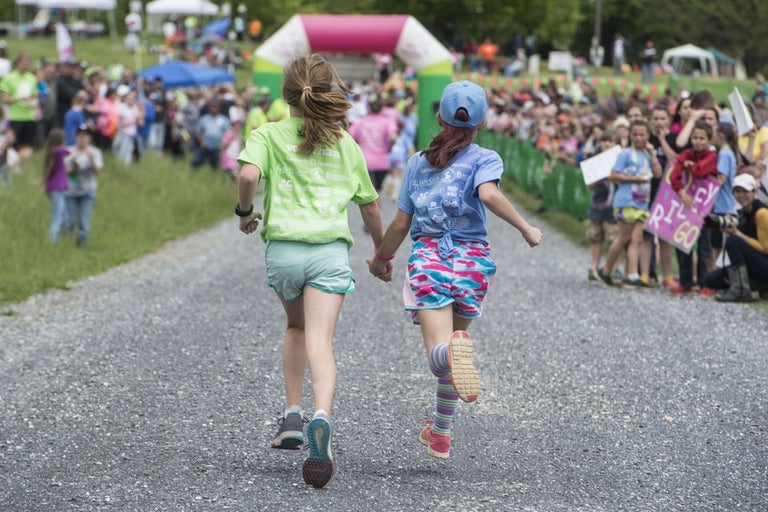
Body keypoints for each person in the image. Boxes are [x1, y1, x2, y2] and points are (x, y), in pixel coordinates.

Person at [367, 80, 542, 460]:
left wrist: (381, 259)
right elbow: (489, 194)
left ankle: (450, 357)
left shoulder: (417, 162)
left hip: (431, 259)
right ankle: (441, 433)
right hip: (473, 263)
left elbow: (399, 225)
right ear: (481, 124)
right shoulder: (486, 158)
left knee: (440, 356)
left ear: (438, 117)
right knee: (454, 349)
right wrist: (526, 228)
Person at [235, 54, 384, 489]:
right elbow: (371, 206)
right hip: (328, 253)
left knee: (295, 328)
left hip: (283, 250)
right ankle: (322, 414)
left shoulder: (267, 133)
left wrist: (245, 211)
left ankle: (293, 417)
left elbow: (247, 175)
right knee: (321, 339)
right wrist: (381, 254)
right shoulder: (345, 143)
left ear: (287, 94)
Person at [598, 120, 662, 287]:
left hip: (642, 202)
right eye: (635, 134)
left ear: (648, 136)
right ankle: (606, 269)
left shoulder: (647, 154)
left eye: (642, 134)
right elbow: (613, 175)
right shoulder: (625, 154)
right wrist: (634, 179)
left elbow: (657, 173)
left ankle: (632, 274)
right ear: (630, 135)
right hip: (626, 200)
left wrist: (653, 154)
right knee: (624, 237)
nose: (639, 138)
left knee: (637, 239)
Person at [667, 122, 718, 295]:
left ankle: (706, 283)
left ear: (709, 139)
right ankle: (685, 281)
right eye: (695, 138)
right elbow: (674, 175)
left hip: (705, 208)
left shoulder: (712, 155)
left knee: (704, 246)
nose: (698, 142)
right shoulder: (686, 154)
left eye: (702, 138)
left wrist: (689, 166)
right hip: (686, 206)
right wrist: (681, 192)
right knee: (682, 243)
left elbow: (701, 171)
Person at [701, 173, 768, 302]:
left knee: (734, 241)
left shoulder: (762, 213)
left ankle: (741, 291)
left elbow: (766, 249)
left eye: (745, 191)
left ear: (754, 192)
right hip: (756, 264)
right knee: (709, 280)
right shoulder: (741, 213)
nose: (741, 195)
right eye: (737, 191)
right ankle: (758, 286)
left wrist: (738, 234)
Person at [348, 99, 398, 202]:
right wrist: (389, 148)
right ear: (381, 109)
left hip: (364, 161)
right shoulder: (386, 121)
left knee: (368, 193)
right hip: (382, 161)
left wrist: (357, 146)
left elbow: (349, 136)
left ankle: (371, 214)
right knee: (378, 191)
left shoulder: (360, 122)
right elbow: (393, 137)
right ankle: (378, 215)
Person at [586, 130, 619, 281]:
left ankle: (614, 267)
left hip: (614, 205)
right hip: (598, 203)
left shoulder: (620, 159)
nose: (607, 144)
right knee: (595, 236)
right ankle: (594, 267)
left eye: (611, 141)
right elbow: (590, 185)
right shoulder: (595, 159)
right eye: (604, 141)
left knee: (614, 237)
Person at [64, 125, 102, 248]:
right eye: (80, 136)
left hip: (87, 191)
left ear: (89, 138)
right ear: (76, 136)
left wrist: (90, 158)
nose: (82, 139)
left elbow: (97, 171)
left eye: (85, 136)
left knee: (84, 223)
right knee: (69, 221)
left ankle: (81, 248)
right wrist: (73, 163)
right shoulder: (69, 150)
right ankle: (65, 246)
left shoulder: (95, 152)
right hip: (70, 192)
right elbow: (64, 172)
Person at [0, 54, 39, 153]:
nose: (26, 65)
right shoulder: (9, 78)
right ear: (18, 63)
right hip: (15, 117)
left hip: (29, 116)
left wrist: (33, 102)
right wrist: (20, 99)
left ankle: (24, 166)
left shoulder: (32, 78)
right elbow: (5, 99)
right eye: (24, 62)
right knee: (13, 145)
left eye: (28, 63)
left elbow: (35, 95)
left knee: (27, 145)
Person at [41, 128, 69, 244]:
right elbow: (70, 152)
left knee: (65, 218)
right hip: (57, 189)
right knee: (57, 219)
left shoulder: (51, 152)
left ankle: (59, 241)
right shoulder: (58, 151)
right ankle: (52, 242)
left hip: (54, 188)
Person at [192, 100, 230, 170]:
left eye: (215, 106)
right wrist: (202, 141)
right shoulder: (204, 119)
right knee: (198, 162)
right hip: (205, 145)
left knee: (214, 165)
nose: (214, 108)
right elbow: (197, 131)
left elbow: (228, 133)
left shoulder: (224, 119)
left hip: (217, 146)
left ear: (219, 108)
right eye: (212, 106)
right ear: (209, 108)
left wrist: (225, 144)